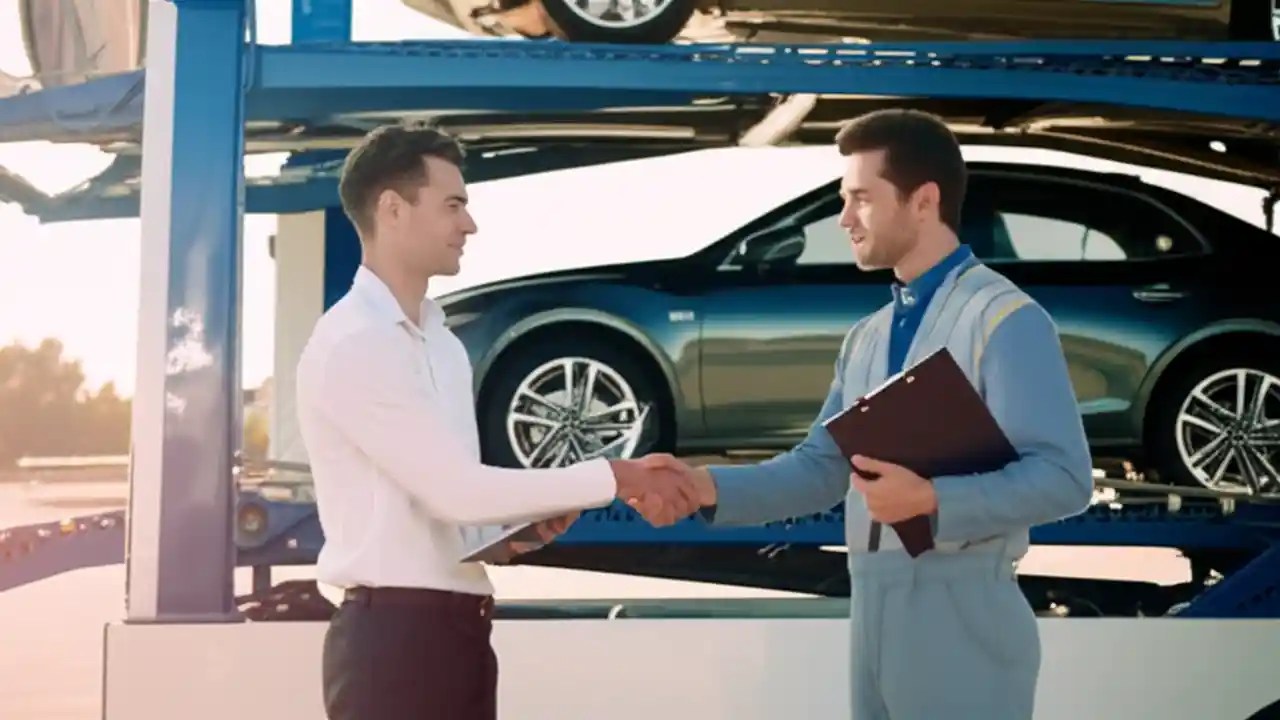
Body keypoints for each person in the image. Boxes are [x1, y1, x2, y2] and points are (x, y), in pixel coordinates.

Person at [637, 109, 1095, 719]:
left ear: (924, 201)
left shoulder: (1006, 320)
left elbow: (1065, 479)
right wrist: (703, 487)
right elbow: (820, 469)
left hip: (964, 620)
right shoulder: (867, 338)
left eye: (860, 199)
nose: (844, 219)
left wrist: (931, 500)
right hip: (874, 609)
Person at [293, 123, 699, 720]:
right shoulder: (355, 342)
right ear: (393, 209)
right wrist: (617, 475)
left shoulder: (442, 344)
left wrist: (512, 529)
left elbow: (454, 501)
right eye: (453, 204)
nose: (469, 224)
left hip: (456, 634)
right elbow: (459, 493)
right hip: (395, 649)